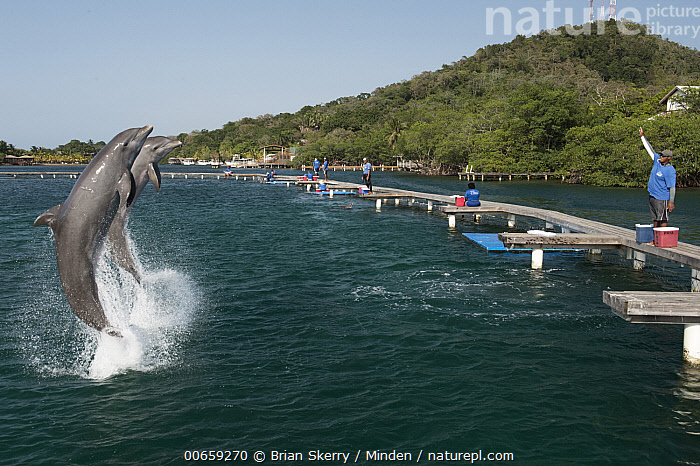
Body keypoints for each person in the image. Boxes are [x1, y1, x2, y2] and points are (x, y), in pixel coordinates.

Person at [639, 127, 676, 228]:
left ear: (669, 158)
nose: (661, 157)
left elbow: (672, 187)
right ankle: (655, 239)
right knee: (655, 219)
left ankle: (662, 239)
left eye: (664, 156)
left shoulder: (670, 170)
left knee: (662, 219)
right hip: (653, 196)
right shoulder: (657, 162)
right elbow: (649, 149)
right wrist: (642, 137)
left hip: (662, 198)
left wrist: (671, 202)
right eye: (661, 155)